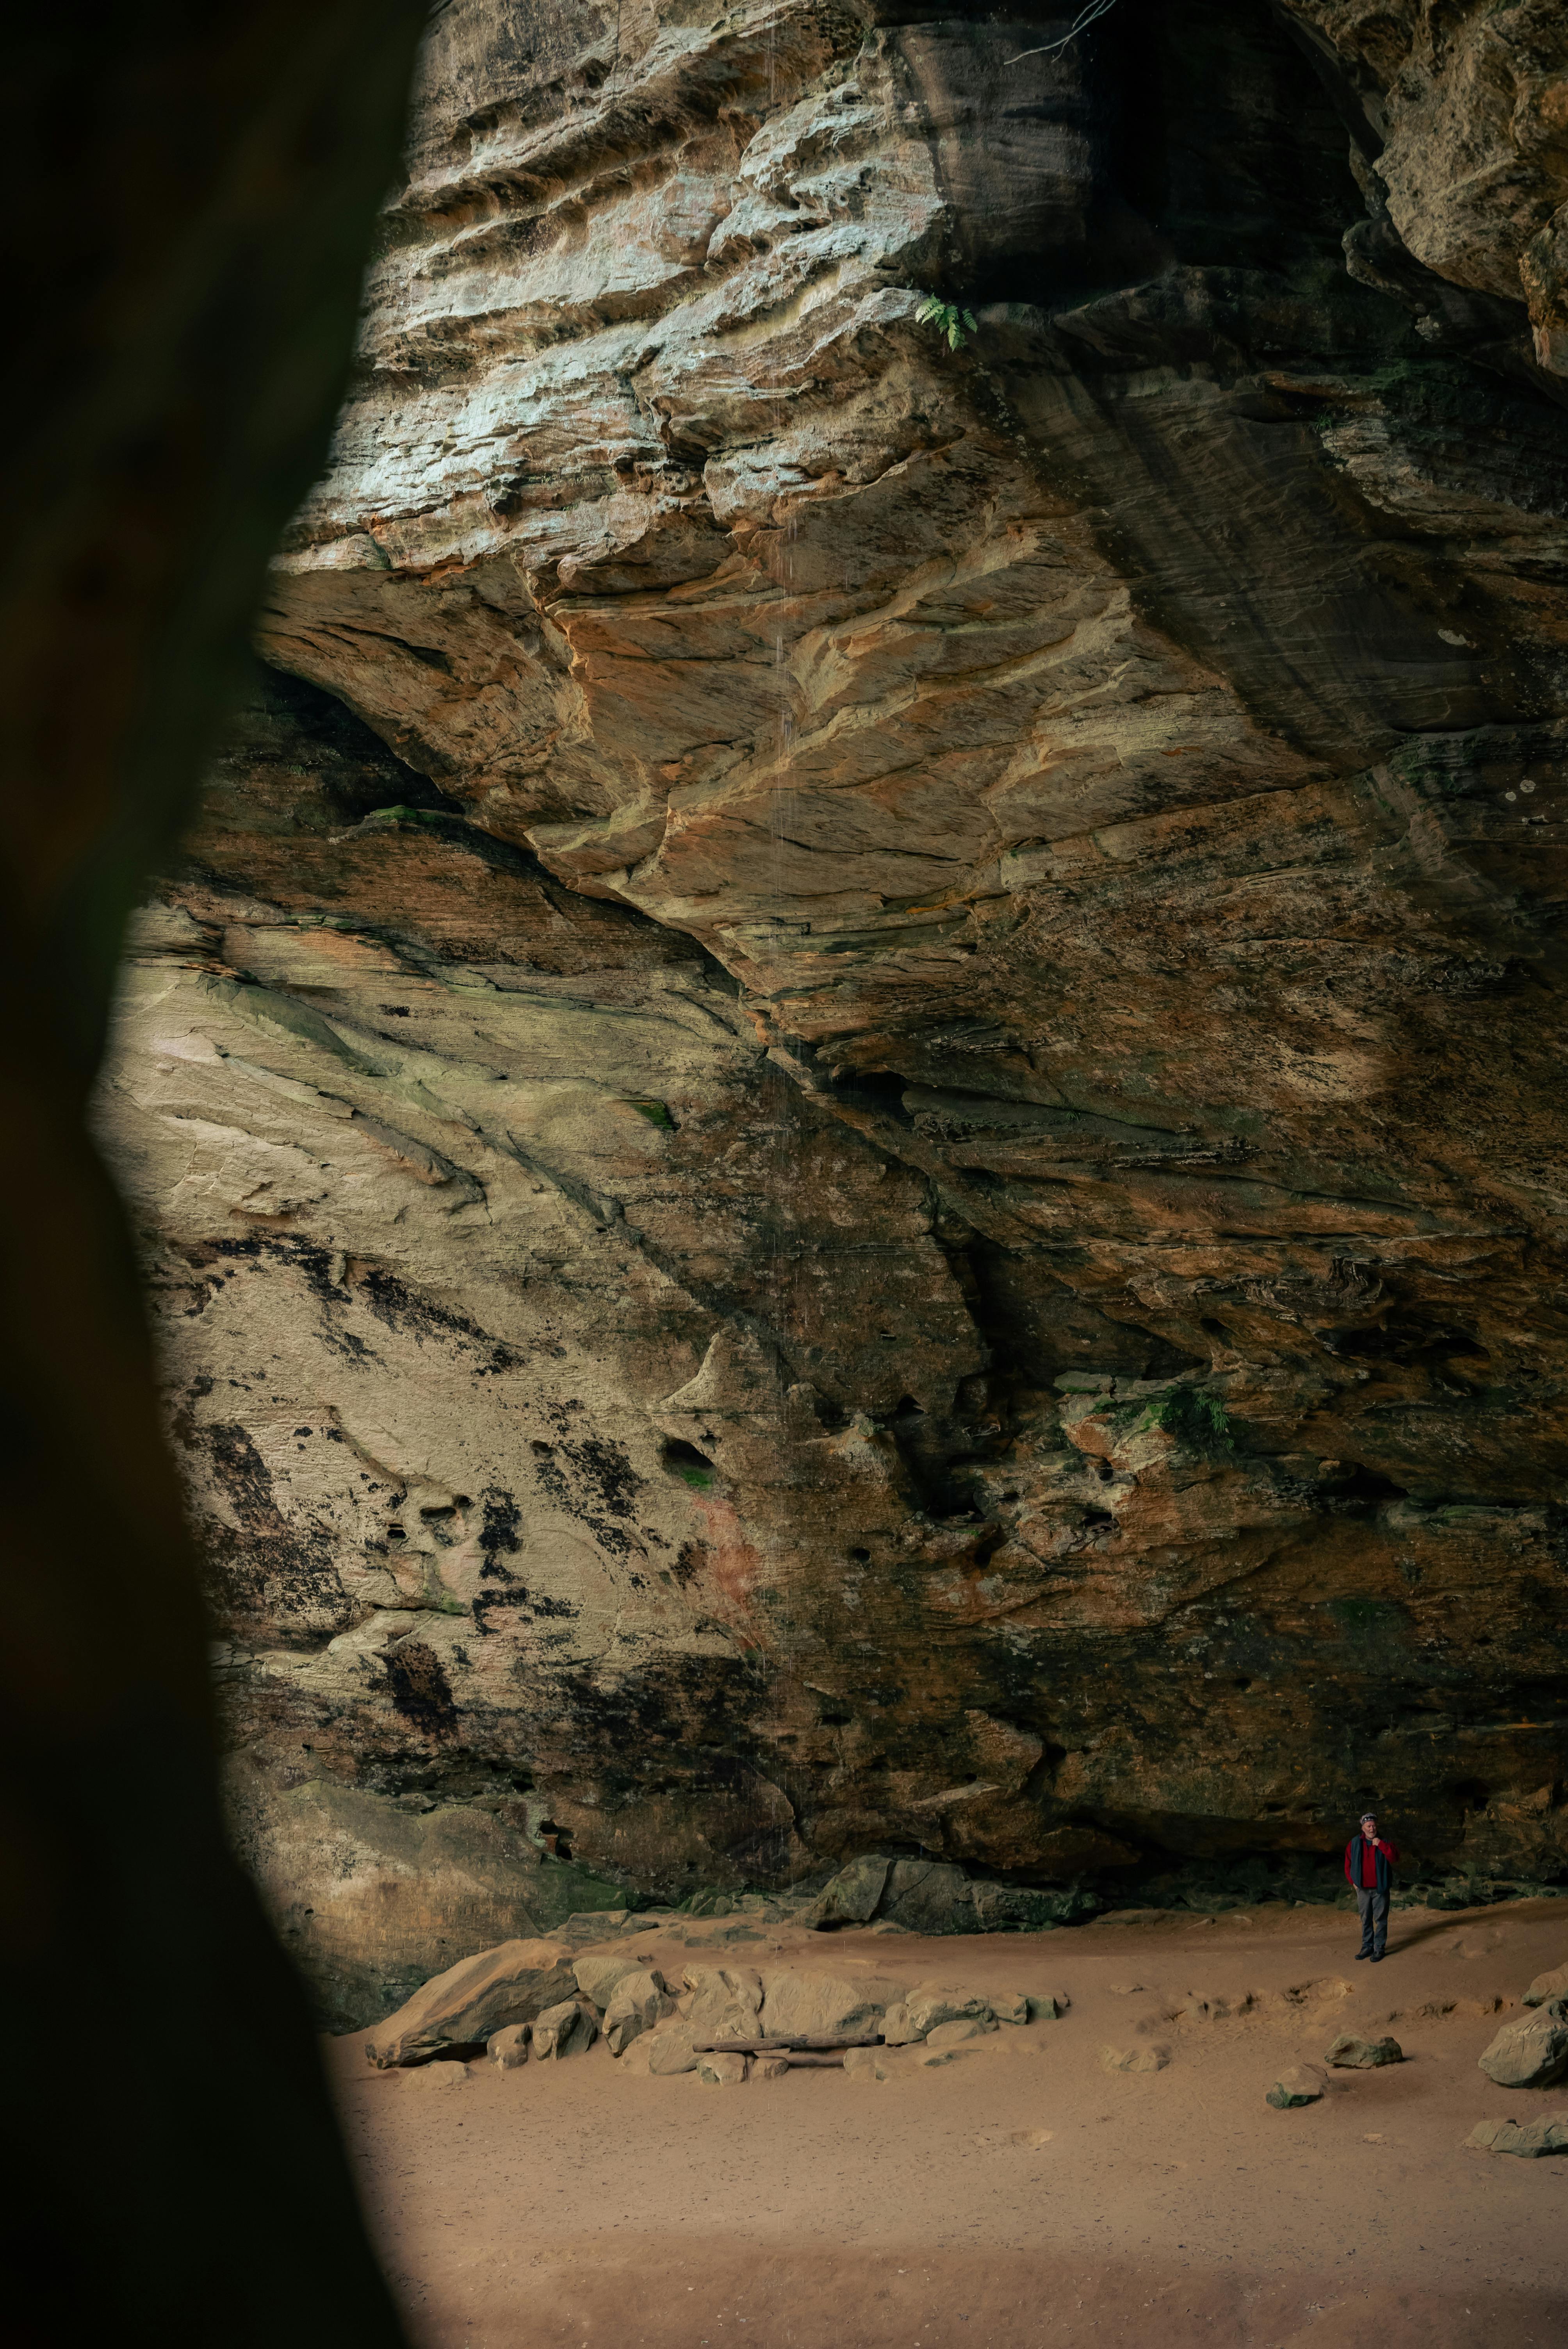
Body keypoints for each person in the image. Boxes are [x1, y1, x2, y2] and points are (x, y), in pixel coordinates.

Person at [1344, 1811, 1399, 1960]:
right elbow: (1348, 1863)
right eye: (1368, 1826)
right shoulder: (1355, 1843)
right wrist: (1353, 1882)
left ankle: (1379, 1948)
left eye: (1374, 1825)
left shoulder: (1385, 1841)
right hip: (1362, 1889)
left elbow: (1394, 1858)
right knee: (1366, 1918)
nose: (1372, 1829)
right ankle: (1367, 1946)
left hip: (1380, 1888)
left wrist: (1381, 1845)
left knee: (1381, 1920)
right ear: (1363, 1828)